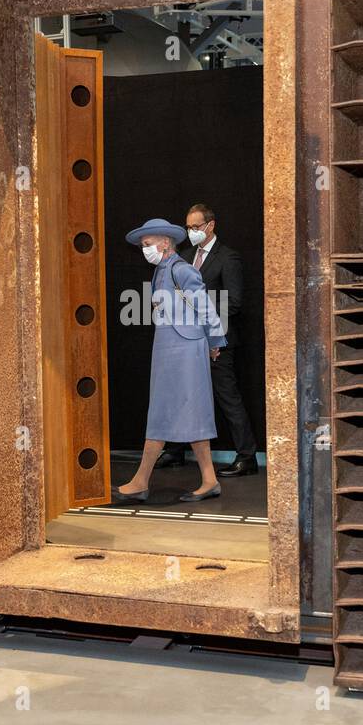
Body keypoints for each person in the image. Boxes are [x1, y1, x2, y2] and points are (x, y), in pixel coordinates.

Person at [114, 218, 228, 504]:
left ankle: (141, 481)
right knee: (177, 411)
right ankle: (208, 480)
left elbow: (205, 307)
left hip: (185, 349)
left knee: (175, 410)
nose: (145, 250)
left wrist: (215, 342)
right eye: (143, 246)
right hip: (170, 348)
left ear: (165, 243)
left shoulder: (180, 269)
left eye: (148, 244)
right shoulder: (161, 271)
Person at [155, 204, 260, 478]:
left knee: (227, 397)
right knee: (181, 397)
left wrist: (197, 309)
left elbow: (233, 302)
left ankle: (247, 456)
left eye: (195, 227)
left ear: (210, 226)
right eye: (188, 227)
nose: (191, 232)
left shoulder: (228, 258)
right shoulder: (184, 258)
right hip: (185, 342)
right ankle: (175, 451)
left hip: (217, 340)